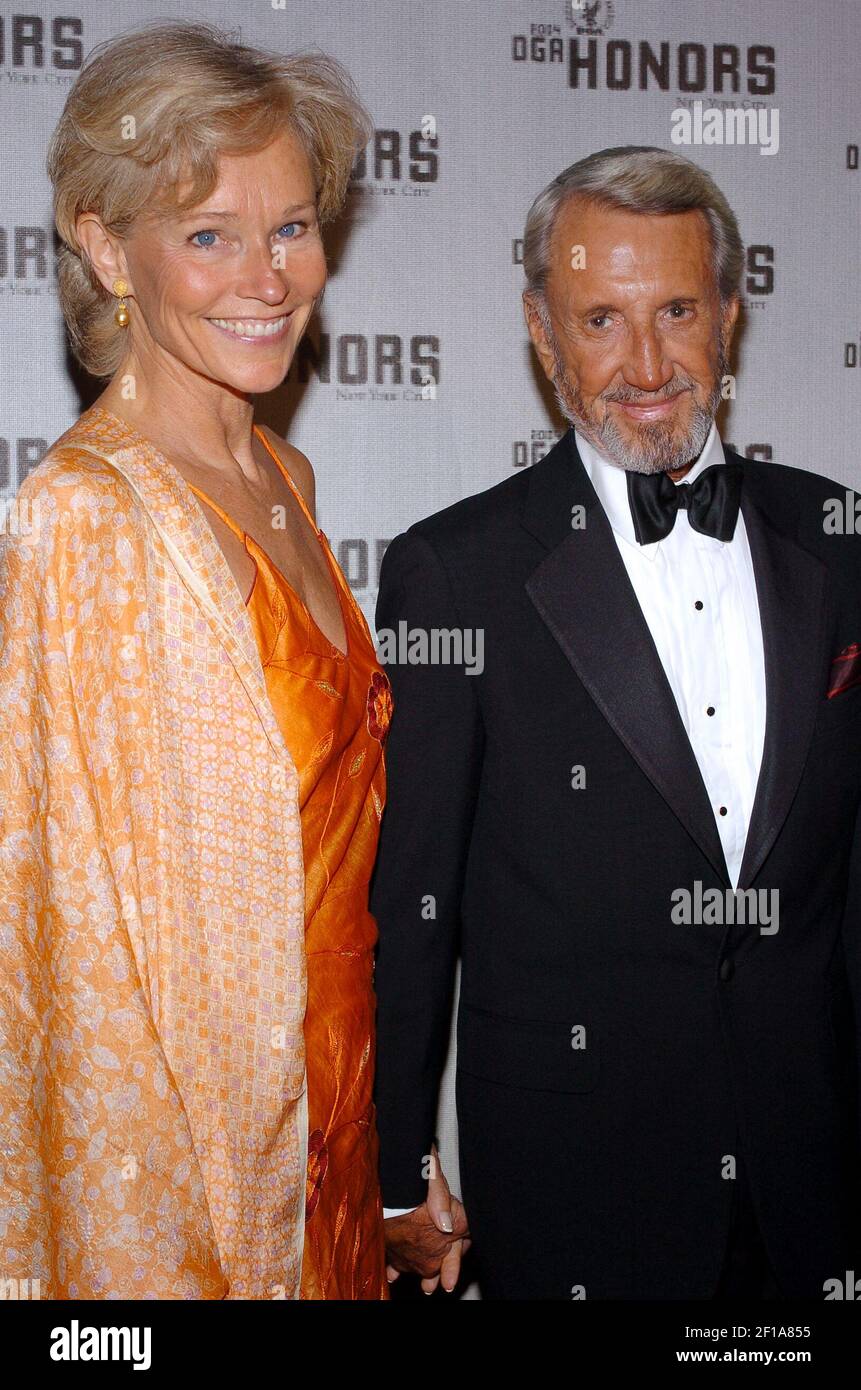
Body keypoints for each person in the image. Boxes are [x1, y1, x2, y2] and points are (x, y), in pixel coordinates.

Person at [371, 145, 861, 1299]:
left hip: (818, 1183)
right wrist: (394, 1171)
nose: (646, 364)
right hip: (580, 1192)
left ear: (730, 312)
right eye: (601, 318)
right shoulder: (459, 572)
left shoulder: (837, 539)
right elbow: (412, 900)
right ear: (543, 334)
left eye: (678, 309)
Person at [0, 20, 391, 1300]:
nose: (267, 279)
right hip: (201, 1195)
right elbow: (89, 987)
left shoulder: (287, 475)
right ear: (108, 247)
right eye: (208, 234)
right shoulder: (87, 519)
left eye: (291, 226)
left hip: (335, 1118)